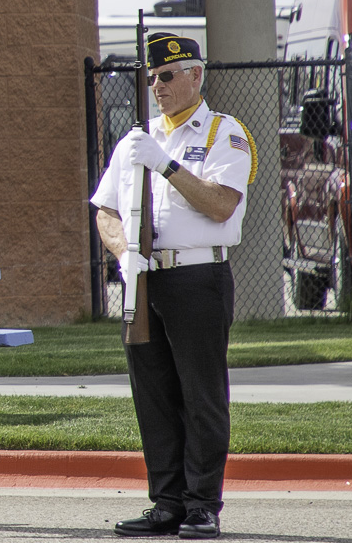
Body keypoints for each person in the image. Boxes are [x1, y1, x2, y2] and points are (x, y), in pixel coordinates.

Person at [92, 33, 253, 540]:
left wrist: (164, 164)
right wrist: (124, 254)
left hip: (197, 276)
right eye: (150, 77)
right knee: (154, 392)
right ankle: (166, 501)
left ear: (195, 75)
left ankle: (203, 503)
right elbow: (106, 210)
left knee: (200, 393)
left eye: (166, 75)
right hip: (145, 275)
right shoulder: (134, 139)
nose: (156, 85)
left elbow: (221, 203)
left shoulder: (224, 133)